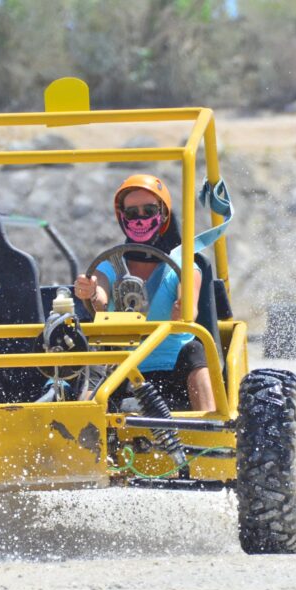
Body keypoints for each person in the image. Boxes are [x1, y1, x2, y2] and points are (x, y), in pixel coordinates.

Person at [74, 174, 216, 412]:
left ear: (162, 214)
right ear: (122, 217)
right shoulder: (110, 266)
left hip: (172, 368)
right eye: (132, 213)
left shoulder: (182, 266)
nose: (139, 219)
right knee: (91, 360)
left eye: (148, 210)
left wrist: (183, 309)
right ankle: (83, 438)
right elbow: (100, 294)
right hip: (122, 367)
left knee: (194, 350)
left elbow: (190, 303)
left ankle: (212, 432)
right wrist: (90, 291)